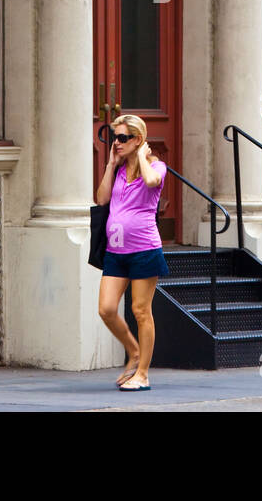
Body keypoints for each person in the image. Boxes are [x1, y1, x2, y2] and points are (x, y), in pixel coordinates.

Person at [96, 113, 168, 391]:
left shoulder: (157, 166)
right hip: (116, 251)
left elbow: (151, 182)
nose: (117, 142)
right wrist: (110, 165)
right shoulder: (118, 169)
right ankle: (133, 351)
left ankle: (143, 373)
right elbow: (101, 199)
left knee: (140, 311)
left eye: (123, 138)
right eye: (115, 137)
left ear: (139, 140)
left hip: (144, 251)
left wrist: (141, 156)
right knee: (106, 309)